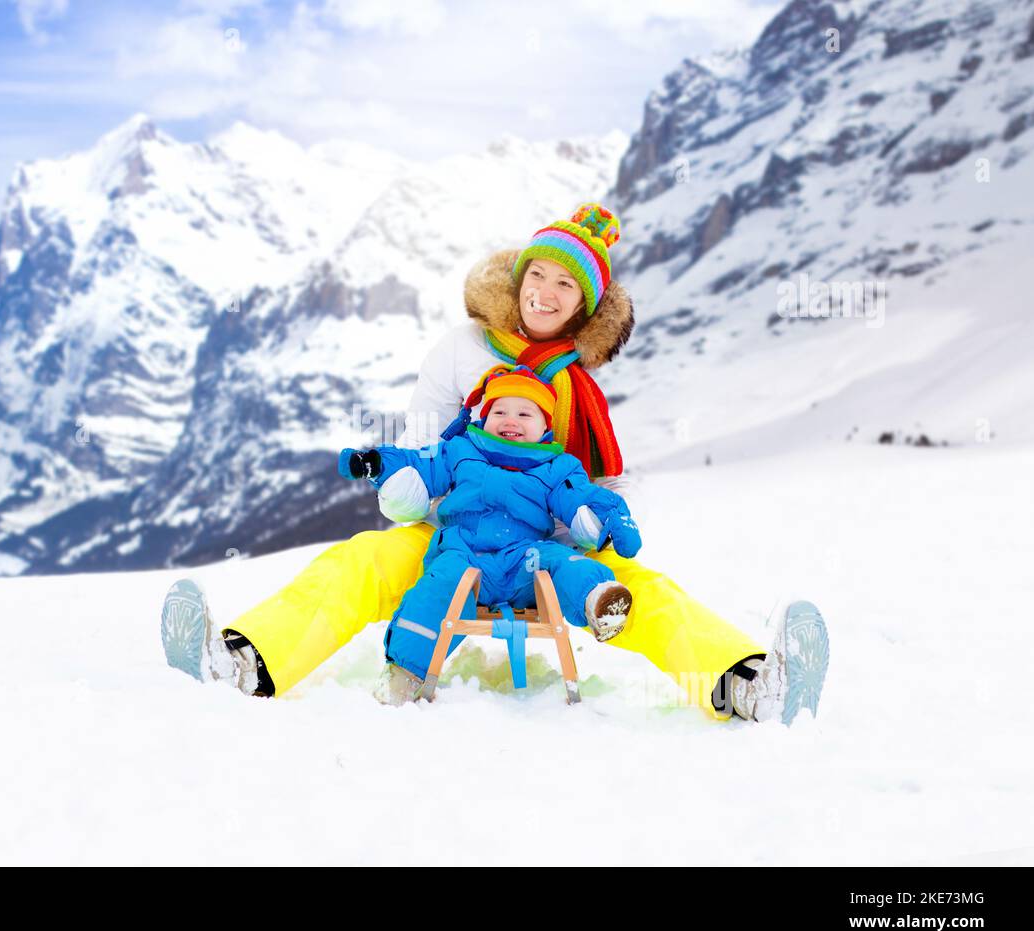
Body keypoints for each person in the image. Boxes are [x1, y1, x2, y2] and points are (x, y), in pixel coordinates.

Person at [160, 202, 829, 724]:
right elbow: (421, 446)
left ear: (585, 306)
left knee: (643, 592)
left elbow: (593, 484)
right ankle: (243, 664)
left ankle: (744, 685)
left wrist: (577, 539)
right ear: (519, 277)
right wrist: (419, 493)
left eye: (565, 284)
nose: (545, 291)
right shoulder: (463, 347)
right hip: (447, 536)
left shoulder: (578, 389)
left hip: (543, 546)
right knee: (357, 562)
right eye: (537, 273)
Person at [339, 364, 640, 704]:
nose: (510, 420)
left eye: (525, 413)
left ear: (546, 426)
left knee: (566, 562)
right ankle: (405, 673)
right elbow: (420, 465)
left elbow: (579, 498)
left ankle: (598, 602)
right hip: (464, 553)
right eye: (499, 411)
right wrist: (380, 464)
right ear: (485, 416)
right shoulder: (461, 449)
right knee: (438, 588)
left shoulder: (557, 466)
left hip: (526, 559)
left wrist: (610, 515)